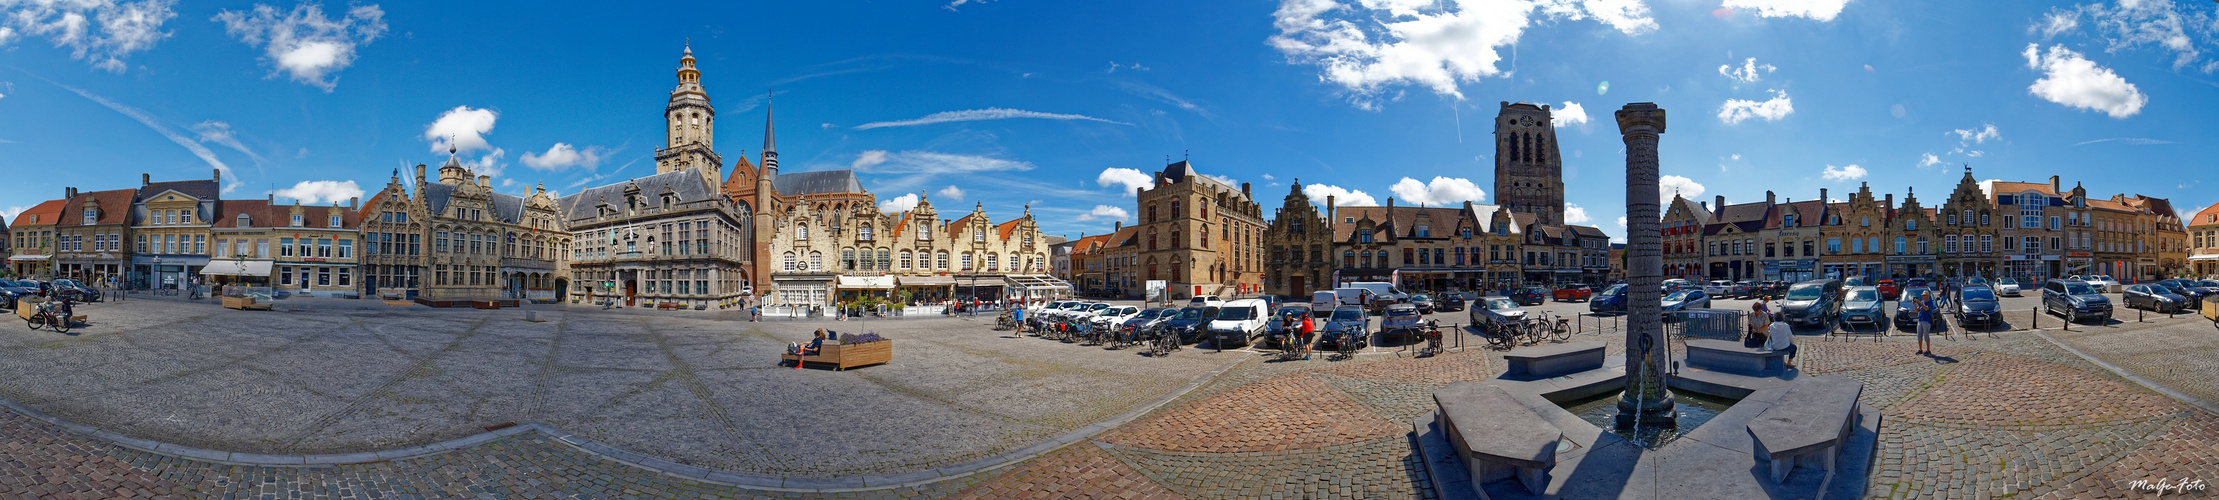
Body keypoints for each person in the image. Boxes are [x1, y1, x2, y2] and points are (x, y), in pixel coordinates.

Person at [1915, 290, 1936, 355]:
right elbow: (1917, 310)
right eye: (1922, 295)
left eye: (1924, 295)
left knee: (1926, 336)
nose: (1922, 296)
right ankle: (1920, 349)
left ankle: (1928, 350)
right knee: (1919, 336)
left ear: (1927, 296)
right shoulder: (1922, 302)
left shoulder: (1930, 302)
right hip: (1920, 320)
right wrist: (1914, 304)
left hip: (1926, 321)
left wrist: (1920, 303)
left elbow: (1926, 308)